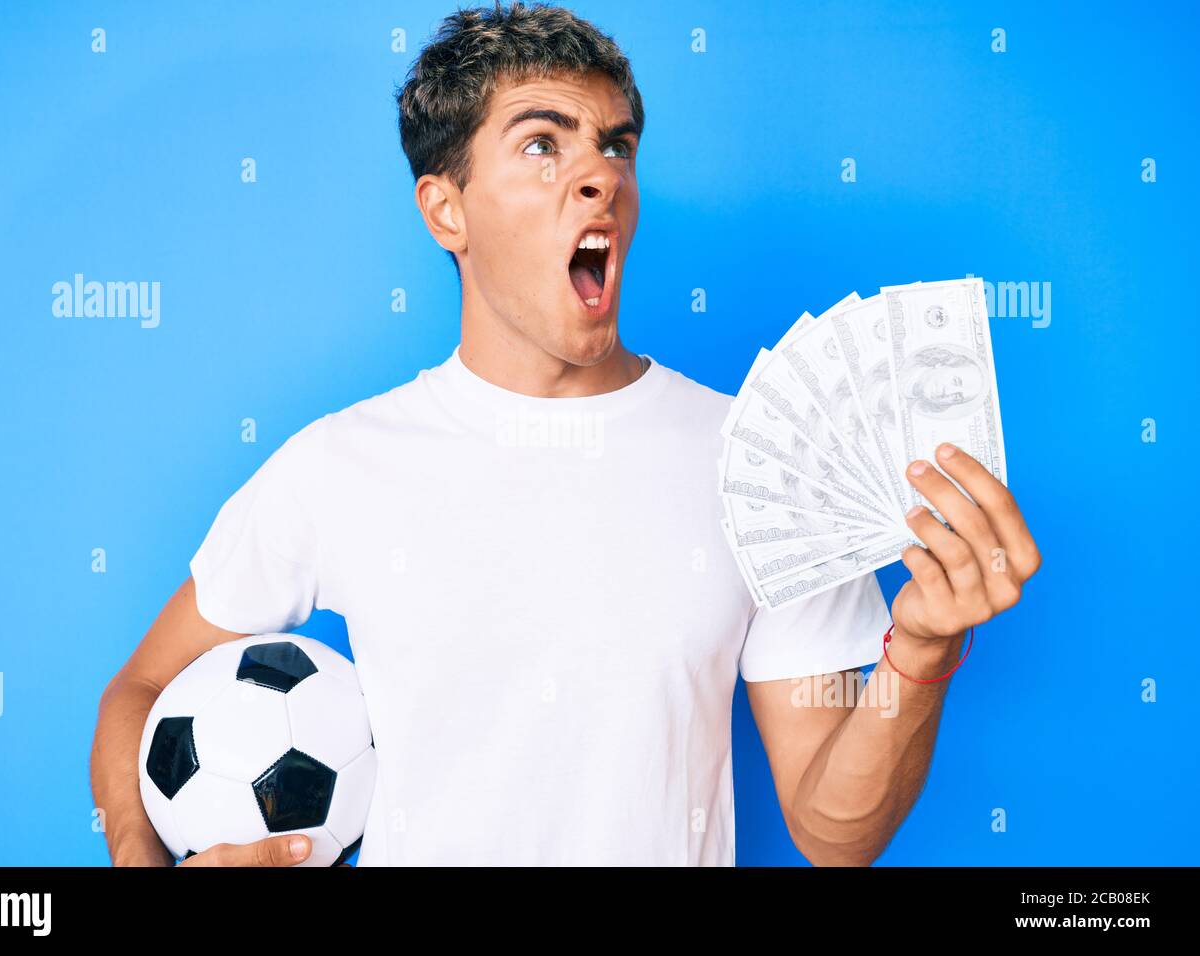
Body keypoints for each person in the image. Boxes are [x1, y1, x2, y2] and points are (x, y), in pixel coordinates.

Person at [90, 0, 1040, 867]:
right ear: (445, 208)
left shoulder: (762, 467)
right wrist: (142, 861)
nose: (599, 175)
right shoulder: (339, 466)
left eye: (616, 146)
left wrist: (915, 656)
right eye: (543, 144)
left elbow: (836, 836)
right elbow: (136, 693)